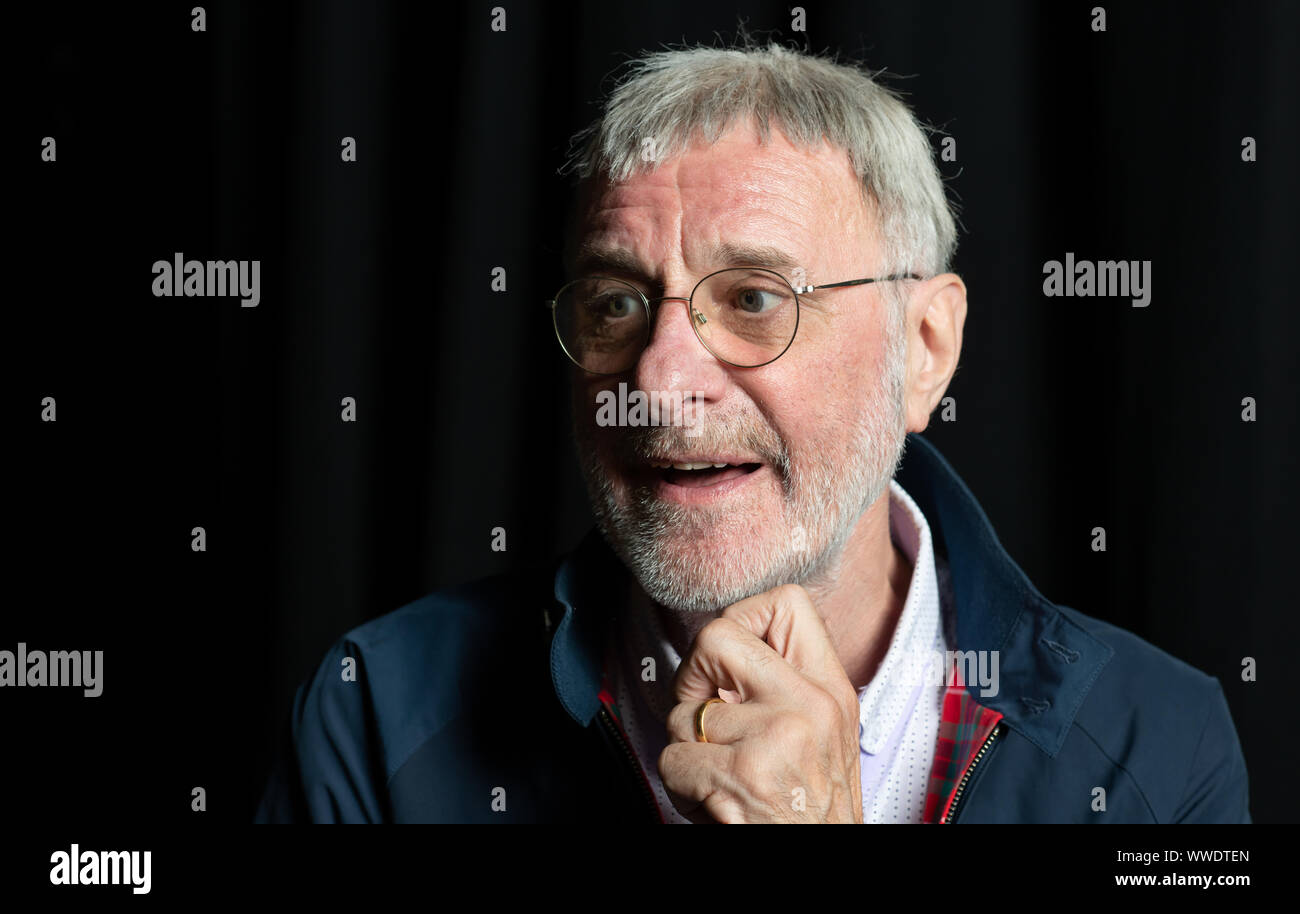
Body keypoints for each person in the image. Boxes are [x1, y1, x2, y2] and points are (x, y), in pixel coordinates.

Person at [256, 41, 1250, 824]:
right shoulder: (378, 712)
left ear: (926, 346)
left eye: (753, 297)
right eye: (615, 304)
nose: (659, 376)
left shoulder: (1154, 750)